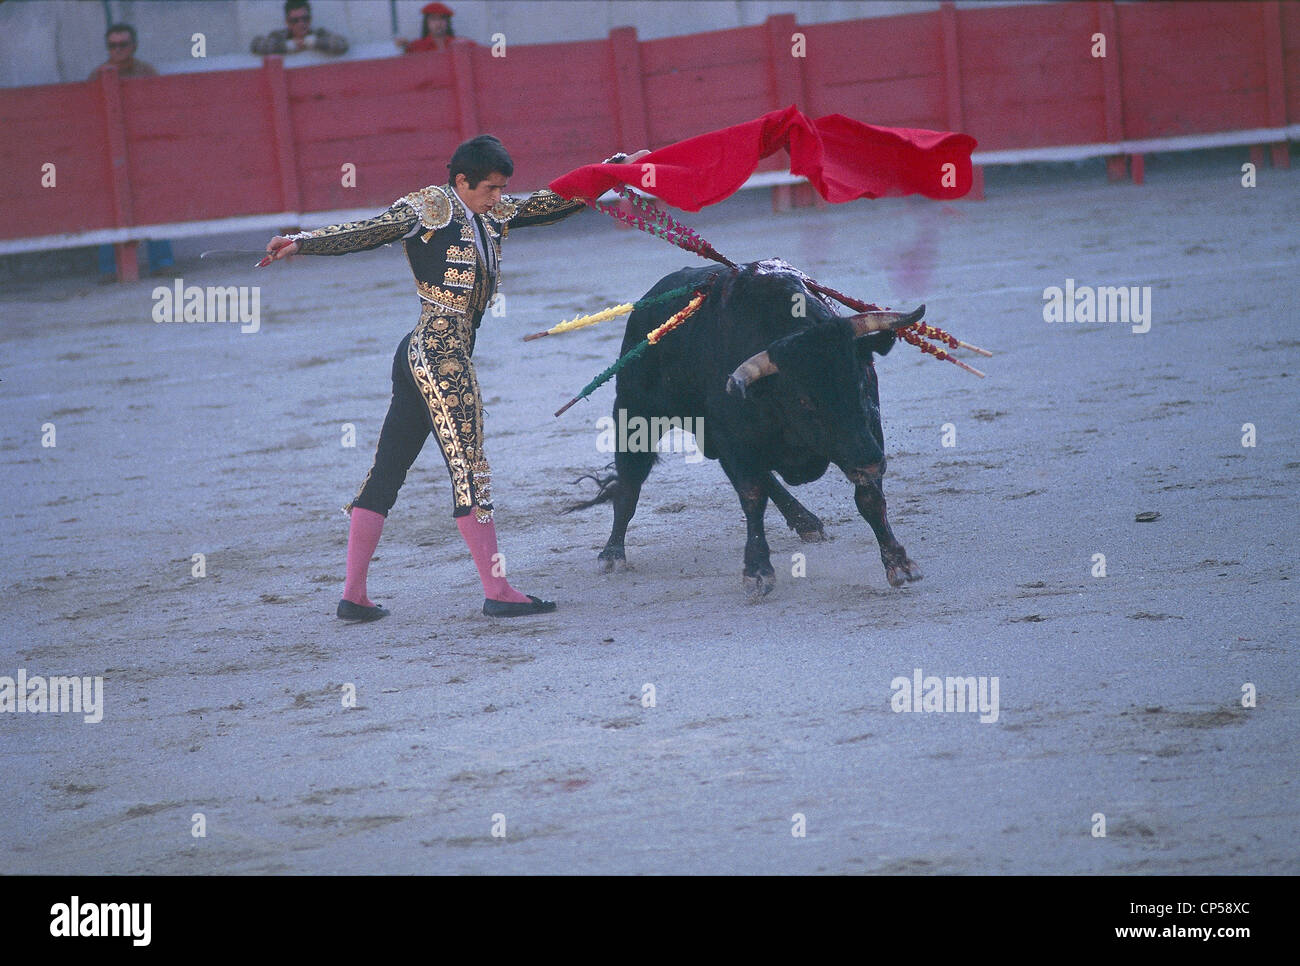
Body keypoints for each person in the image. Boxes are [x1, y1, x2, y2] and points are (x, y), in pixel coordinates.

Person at [263, 136, 648, 620]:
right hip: (441, 358)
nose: (498, 197)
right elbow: (370, 230)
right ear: (461, 181)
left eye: (501, 189)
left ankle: (354, 596)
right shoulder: (428, 207)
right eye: (489, 188)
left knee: (388, 471)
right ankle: (498, 589)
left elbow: (551, 203)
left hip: (422, 354)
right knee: (470, 470)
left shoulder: (490, 211)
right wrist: (303, 243)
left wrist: (614, 171)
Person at [90, 25, 173, 280]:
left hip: (144, 152)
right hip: (109, 156)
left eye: (123, 45)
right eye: (113, 46)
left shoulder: (146, 73)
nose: (118, 51)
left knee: (154, 204)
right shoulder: (96, 76)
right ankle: (109, 268)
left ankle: (163, 262)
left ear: (134, 46)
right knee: (107, 209)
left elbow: (161, 111)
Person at [251, 0, 349, 56]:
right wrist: (287, 46)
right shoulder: (279, 36)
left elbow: (343, 44)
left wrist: (312, 42)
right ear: (287, 22)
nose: (301, 24)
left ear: (310, 19)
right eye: (295, 20)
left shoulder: (319, 33)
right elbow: (256, 45)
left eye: (305, 19)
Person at [396, 2, 461, 54]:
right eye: (433, 19)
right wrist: (402, 48)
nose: (438, 23)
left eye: (442, 18)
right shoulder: (415, 47)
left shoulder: (460, 44)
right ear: (426, 23)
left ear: (448, 22)